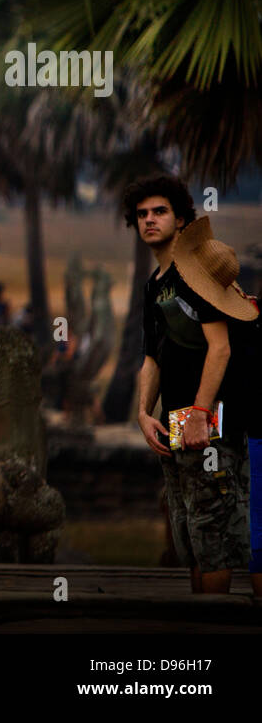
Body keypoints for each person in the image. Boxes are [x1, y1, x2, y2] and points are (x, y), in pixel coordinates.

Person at [128, 175, 253, 594]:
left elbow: (220, 349)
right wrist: (144, 414)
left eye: (159, 211)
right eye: (142, 214)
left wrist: (201, 413)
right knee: (191, 533)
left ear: (181, 219)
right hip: (175, 420)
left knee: (214, 530)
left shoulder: (195, 277)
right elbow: (151, 357)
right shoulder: (154, 285)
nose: (150, 220)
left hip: (212, 418)